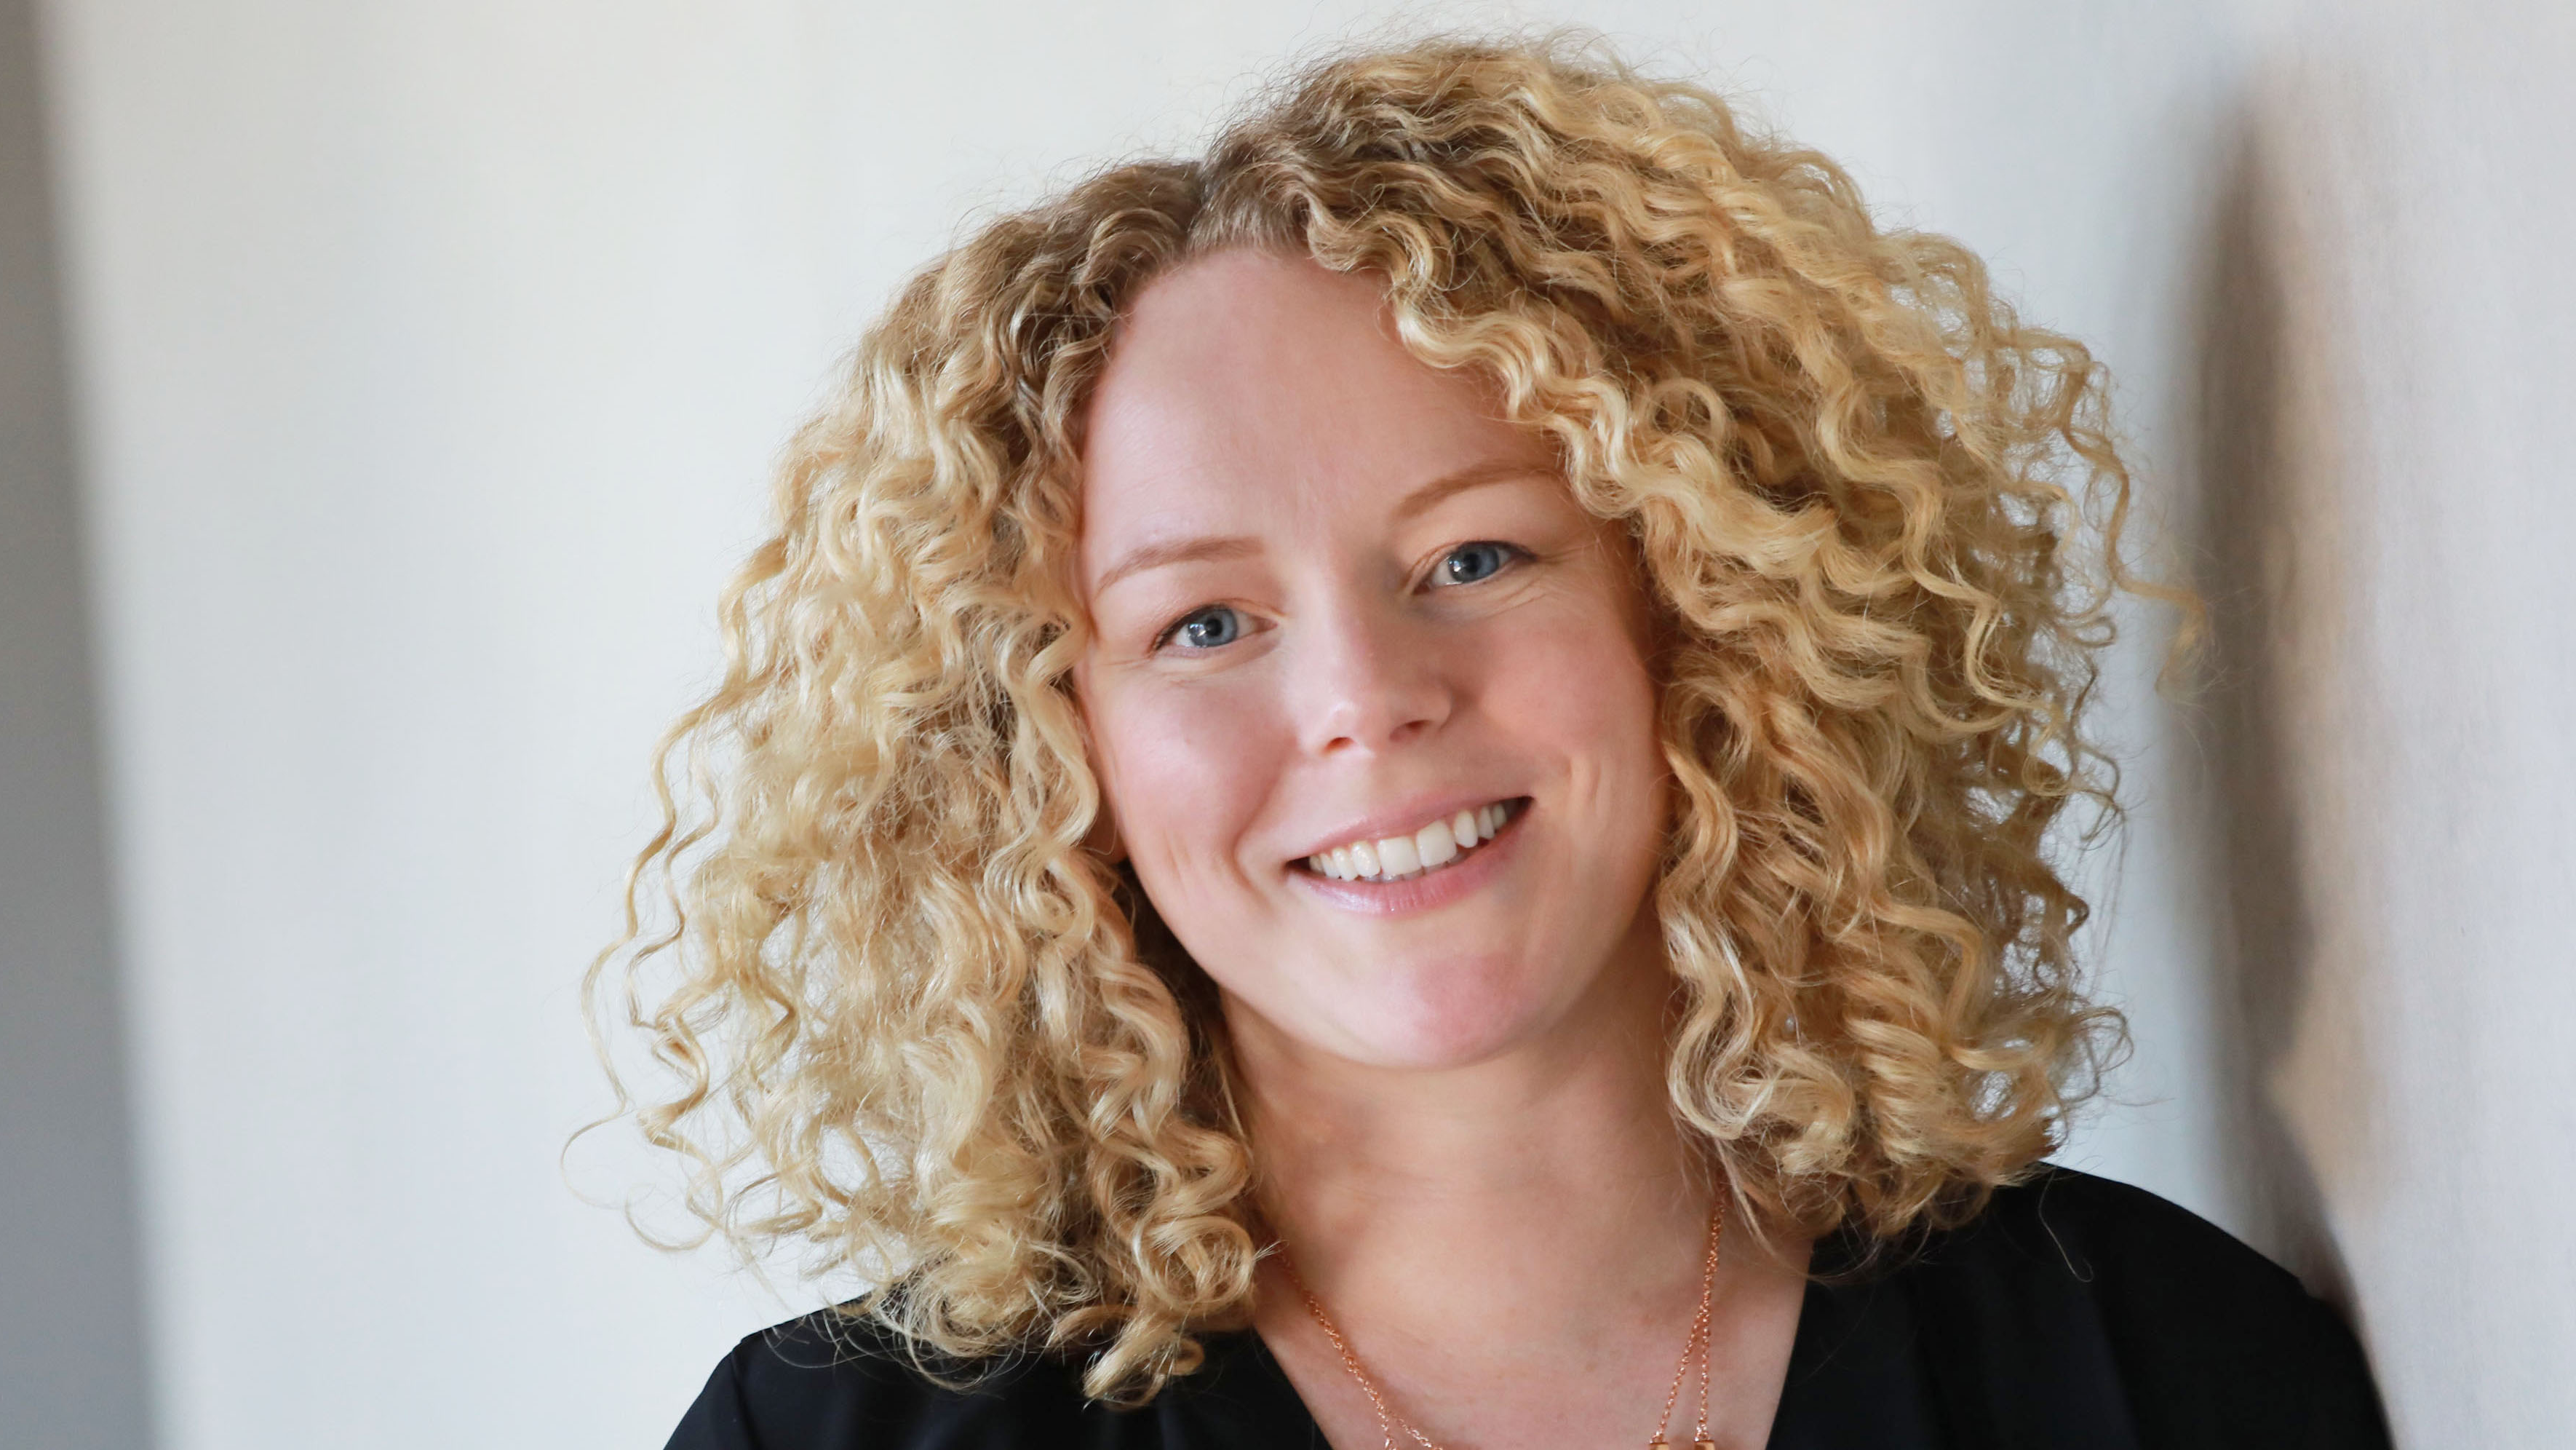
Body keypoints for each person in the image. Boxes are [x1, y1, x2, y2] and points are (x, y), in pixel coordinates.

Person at [618, 35, 2388, 1450]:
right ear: (1043, 757)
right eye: (1205, 623)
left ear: (1700, 616)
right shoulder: (825, 1439)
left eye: (1473, 558)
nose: (1364, 697)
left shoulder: (2167, 1373)